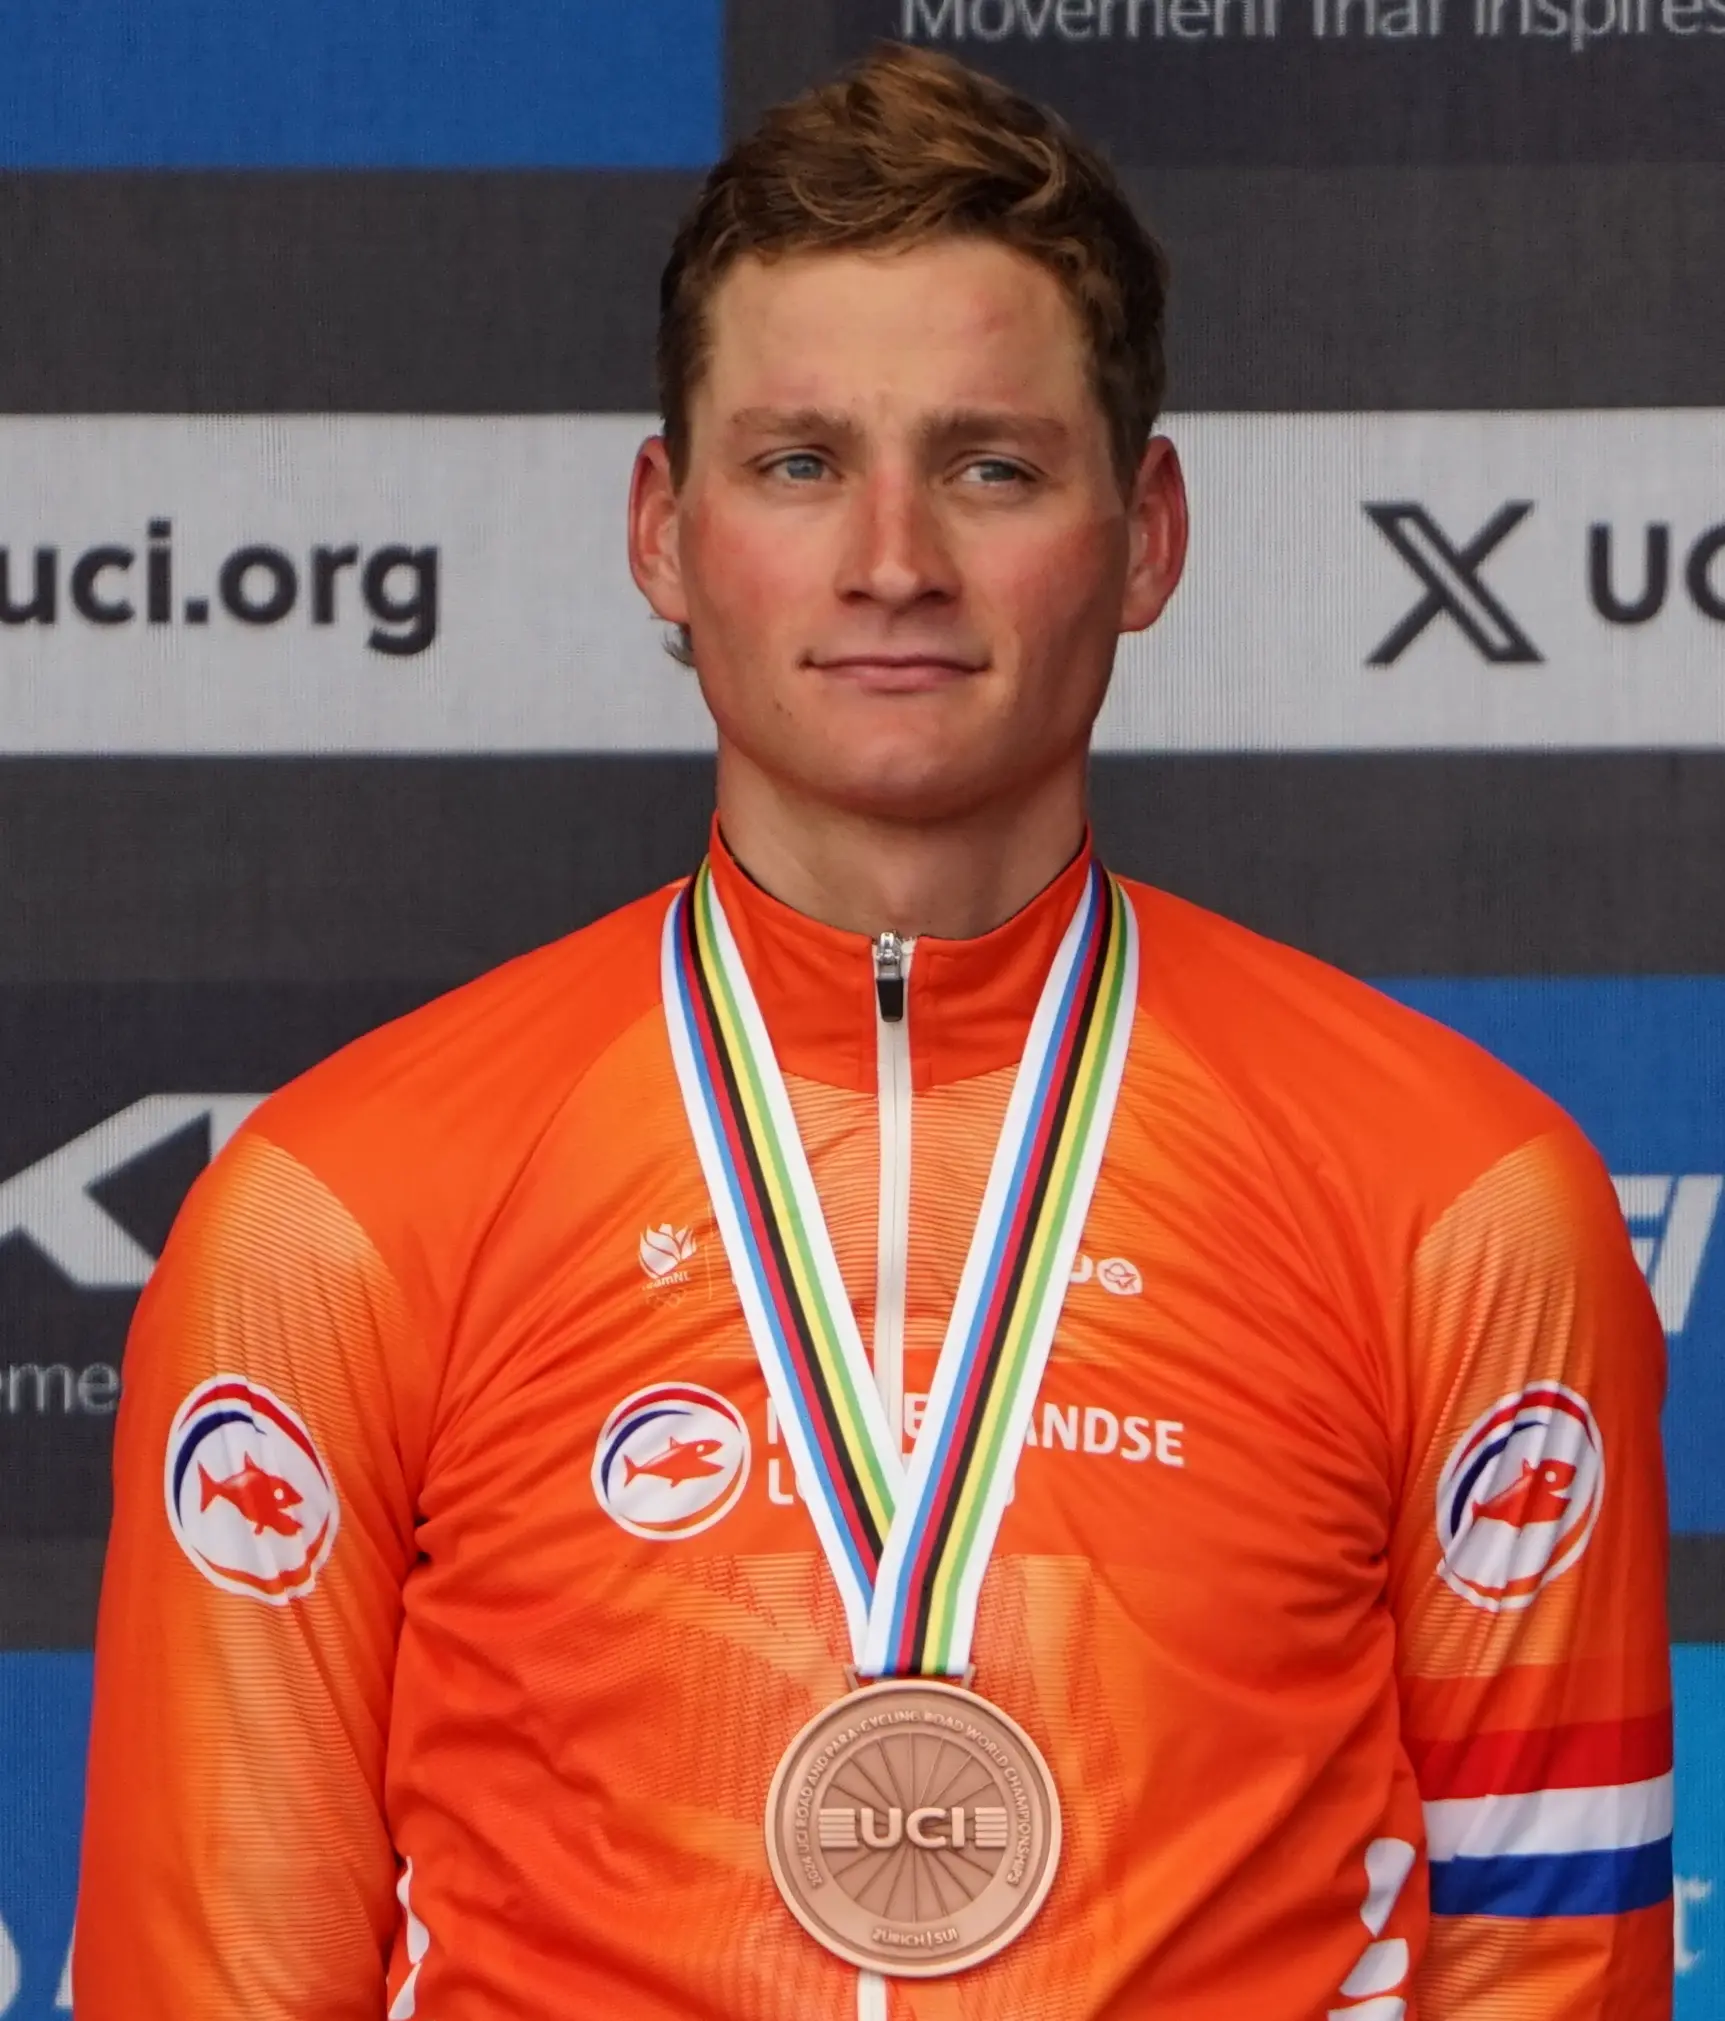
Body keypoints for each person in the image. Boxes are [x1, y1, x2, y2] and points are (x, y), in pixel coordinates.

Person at [77, 43, 1672, 2021]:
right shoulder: (337, 1213)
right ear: (662, 530)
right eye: (800, 463)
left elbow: (1549, 1963)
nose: (896, 558)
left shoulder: (1458, 1197)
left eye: (991, 465)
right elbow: (210, 1980)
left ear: (1147, 531)